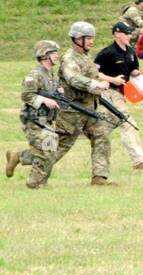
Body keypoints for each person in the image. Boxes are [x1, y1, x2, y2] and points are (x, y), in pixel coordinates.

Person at [26, 22, 115, 188]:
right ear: (76, 39)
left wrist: (101, 82)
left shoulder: (85, 57)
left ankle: (99, 178)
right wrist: (95, 85)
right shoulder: (69, 59)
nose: (91, 41)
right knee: (59, 147)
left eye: (92, 38)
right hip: (72, 110)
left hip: (89, 108)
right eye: (87, 38)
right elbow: (73, 79)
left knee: (101, 135)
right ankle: (23, 159)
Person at [94, 21, 143, 170]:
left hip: (121, 94)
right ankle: (140, 161)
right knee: (128, 123)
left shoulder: (131, 52)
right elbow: (93, 73)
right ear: (117, 34)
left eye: (130, 33)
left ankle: (90, 132)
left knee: (104, 127)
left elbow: (133, 70)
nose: (129, 36)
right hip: (108, 93)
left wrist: (142, 75)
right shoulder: (107, 53)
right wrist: (113, 80)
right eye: (126, 33)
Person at [6, 41, 61, 180]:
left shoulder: (51, 75)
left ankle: (17, 156)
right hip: (33, 120)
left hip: (47, 120)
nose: (57, 56)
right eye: (54, 53)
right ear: (44, 55)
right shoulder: (35, 74)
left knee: (51, 151)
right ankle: (35, 183)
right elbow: (26, 95)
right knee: (46, 152)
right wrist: (44, 100)